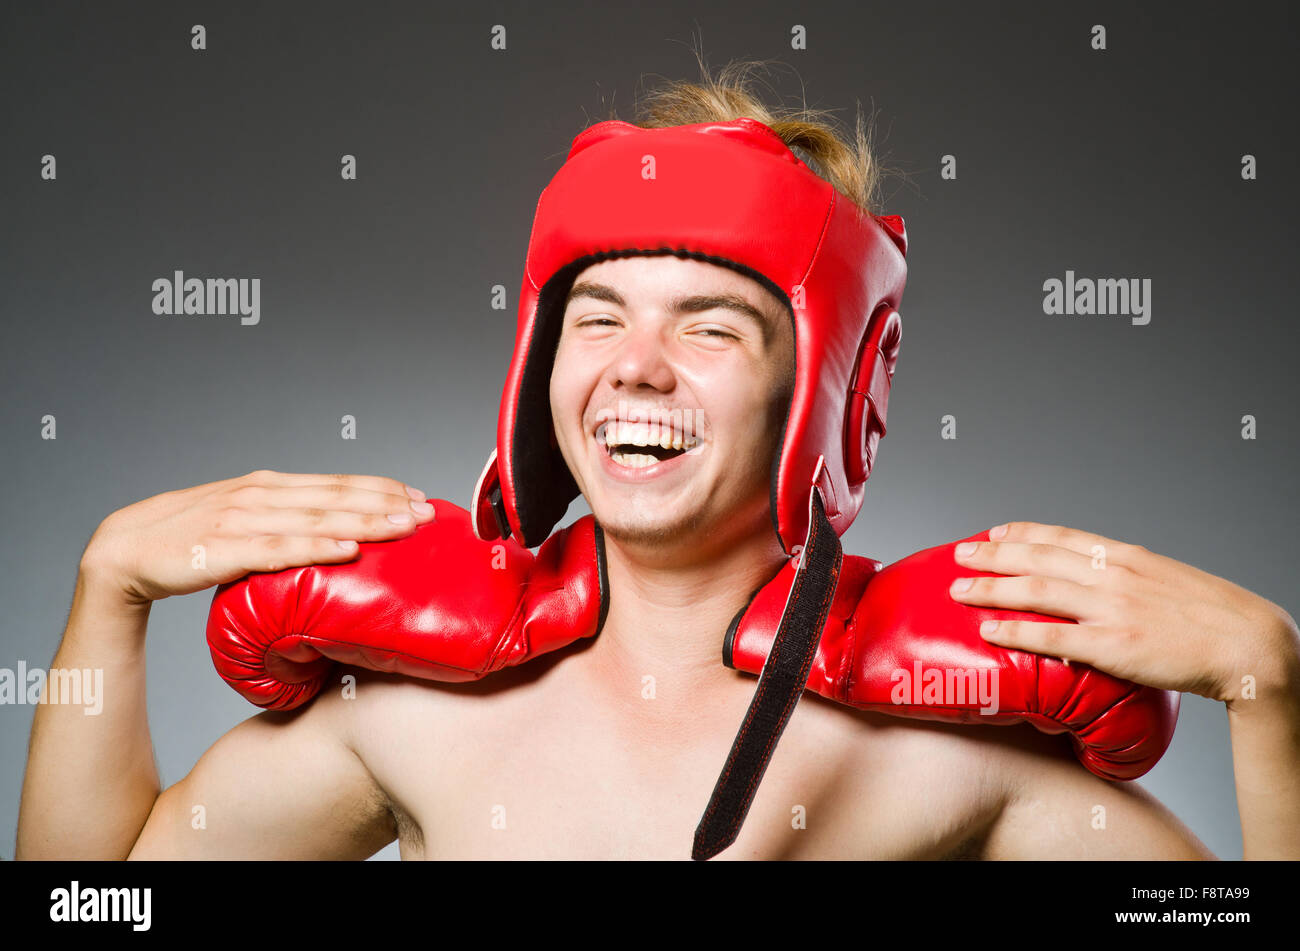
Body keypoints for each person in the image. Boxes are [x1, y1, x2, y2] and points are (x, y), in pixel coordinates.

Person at [16, 62, 1299, 861]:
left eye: (711, 325)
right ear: (540, 370)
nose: (637, 365)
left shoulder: (946, 756)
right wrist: (107, 591)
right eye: (598, 316)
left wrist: (1269, 696)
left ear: (828, 394)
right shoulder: (412, 719)